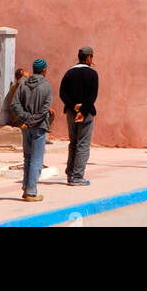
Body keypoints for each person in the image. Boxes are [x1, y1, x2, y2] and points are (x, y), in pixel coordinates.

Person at [14, 58, 54, 201]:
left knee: (28, 158)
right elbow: (45, 109)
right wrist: (32, 121)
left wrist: (25, 119)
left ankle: (26, 188)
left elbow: (15, 104)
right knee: (37, 159)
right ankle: (31, 191)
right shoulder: (47, 86)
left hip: (26, 127)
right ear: (44, 70)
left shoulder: (23, 84)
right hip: (39, 127)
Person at [59, 46, 98, 187]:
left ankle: (70, 173)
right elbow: (92, 95)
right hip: (86, 113)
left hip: (71, 112)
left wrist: (73, 106)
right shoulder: (93, 74)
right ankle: (77, 176)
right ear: (88, 57)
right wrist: (82, 110)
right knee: (83, 144)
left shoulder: (69, 73)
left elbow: (62, 93)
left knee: (73, 142)